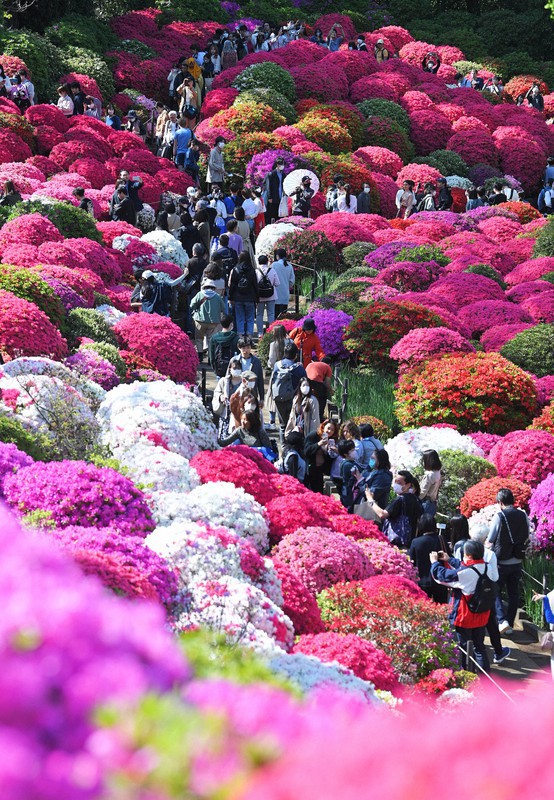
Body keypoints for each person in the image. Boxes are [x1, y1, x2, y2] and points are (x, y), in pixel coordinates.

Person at [430, 540, 492, 673]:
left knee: (464, 648)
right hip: (482, 613)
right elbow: (469, 568)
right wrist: (450, 560)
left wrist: (434, 562)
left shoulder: (465, 574)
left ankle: (467, 674)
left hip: (465, 616)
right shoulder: (490, 568)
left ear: (469, 555)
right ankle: (486, 679)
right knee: (479, 647)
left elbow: (443, 576)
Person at [486, 488, 531, 634]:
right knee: (514, 594)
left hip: (501, 562)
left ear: (500, 502)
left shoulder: (500, 516)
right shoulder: (523, 515)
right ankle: (510, 624)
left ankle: (502, 620)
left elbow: (491, 538)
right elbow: (527, 534)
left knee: (495, 591)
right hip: (517, 560)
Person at [470, 523, 511, 666]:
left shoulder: (462, 548)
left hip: (467, 594)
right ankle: (497, 652)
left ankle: (472, 654)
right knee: (491, 624)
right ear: (484, 538)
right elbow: (494, 578)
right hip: (484, 594)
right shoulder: (489, 554)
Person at [366, 470, 423, 547]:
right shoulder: (416, 500)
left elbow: (382, 514)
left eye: (399, 483)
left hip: (396, 542)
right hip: (409, 541)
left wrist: (370, 499)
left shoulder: (400, 499)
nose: (396, 485)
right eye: (395, 481)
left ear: (408, 485)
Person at [271, 341, 307, 441]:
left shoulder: (277, 365)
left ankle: (283, 448)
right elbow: (305, 382)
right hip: (294, 399)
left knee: (282, 425)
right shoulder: (299, 368)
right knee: (293, 424)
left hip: (279, 398)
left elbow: (273, 380)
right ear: (295, 355)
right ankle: (291, 446)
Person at [409, 515, 449, 604]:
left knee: (424, 610)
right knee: (442, 610)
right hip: (440, 580)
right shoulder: (441, 539)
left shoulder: (416, 542)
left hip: (422, 581)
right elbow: (448, 557)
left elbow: (412, 562)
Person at [190, 278, 225, 359]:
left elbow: (192, 305)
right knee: (211, 340)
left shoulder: (199, 294)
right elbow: (223, 308)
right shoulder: (217, 296)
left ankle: (200, 355)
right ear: (213, 287)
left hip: (200, 320)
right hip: (213, 322)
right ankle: (210, 358)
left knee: (199, 339)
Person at [304, 418, 339, 494]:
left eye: (332, 430)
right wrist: (319, 444)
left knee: (318, 492)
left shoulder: (332, 440)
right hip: (310, 468)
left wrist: (331, 451)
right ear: (323, 427)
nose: (330, 431)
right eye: (328, 428)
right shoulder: (314, 435)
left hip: (321, 471)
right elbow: (306, 451)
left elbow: (331, 458)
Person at [266, 324, 290, 430]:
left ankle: (272, 421)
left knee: (272, 396)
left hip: (276, 372)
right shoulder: (290, 342)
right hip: (289, 373)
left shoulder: (273, 345)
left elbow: (271, 361)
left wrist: (268, 365)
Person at [212, 356, 244, 437]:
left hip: (239, 414)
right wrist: (221, 396)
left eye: (238, 368)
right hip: (226, 413)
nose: (236, 370)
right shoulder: (224, 381)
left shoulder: (244, 383)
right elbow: (217, 392)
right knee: (224, 436)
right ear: (230, 369)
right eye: (234, 368)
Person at [228, 253, 258, 336]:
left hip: (238, 298)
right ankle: (249, 337)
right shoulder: (252, 270)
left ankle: (240, 337)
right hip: (250, 298)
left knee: (239, 318)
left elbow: (232, 285)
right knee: (250, 318)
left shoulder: (235, 270)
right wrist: (257, 299)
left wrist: (231, 297)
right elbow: (255, 285)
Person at [255, 254, 280, 337]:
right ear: (267, 262)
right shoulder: (272, 271)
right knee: (271, 314)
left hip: (260, 296)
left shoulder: (256, 271)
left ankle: (260, 333)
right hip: (271, 295)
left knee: (259, 314)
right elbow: (277, 283)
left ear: (258, 262)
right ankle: (271, 332)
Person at [237, 335, 264, 403]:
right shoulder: (234, 360)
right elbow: (228, 379)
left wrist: (262, 398)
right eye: (243, 348)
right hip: (237, 394)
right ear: (239, 348)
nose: (245, 350)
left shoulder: (256, 362)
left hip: (252, 396)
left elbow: (260, 380)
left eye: (248, 347)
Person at [339, 439, 364, 513]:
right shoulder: (348, 465)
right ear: (345, 454)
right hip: (350, 494)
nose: (355, 451)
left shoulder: (349, 462)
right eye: (352, 450)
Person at [305, 356, 332, 420]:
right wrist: (331, 391)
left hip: (306, 382)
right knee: (323, 397)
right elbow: (327, 384)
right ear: (329, 364)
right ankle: (320, 416)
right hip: (317, 382)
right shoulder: (327, 367)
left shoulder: (311, 364)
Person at [272, 248, 295, 318]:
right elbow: (292, 280)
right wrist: (287, 286)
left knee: (275, 314)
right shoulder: (289, 266)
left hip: (276, 293)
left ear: (277, 256)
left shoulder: (274, 265)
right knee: (284, 315)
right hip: (285, 293)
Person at [420, 449, 442, 516]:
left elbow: (422, 492)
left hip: (425, 503)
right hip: (432, 503)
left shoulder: (429, 475)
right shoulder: (438, 473)